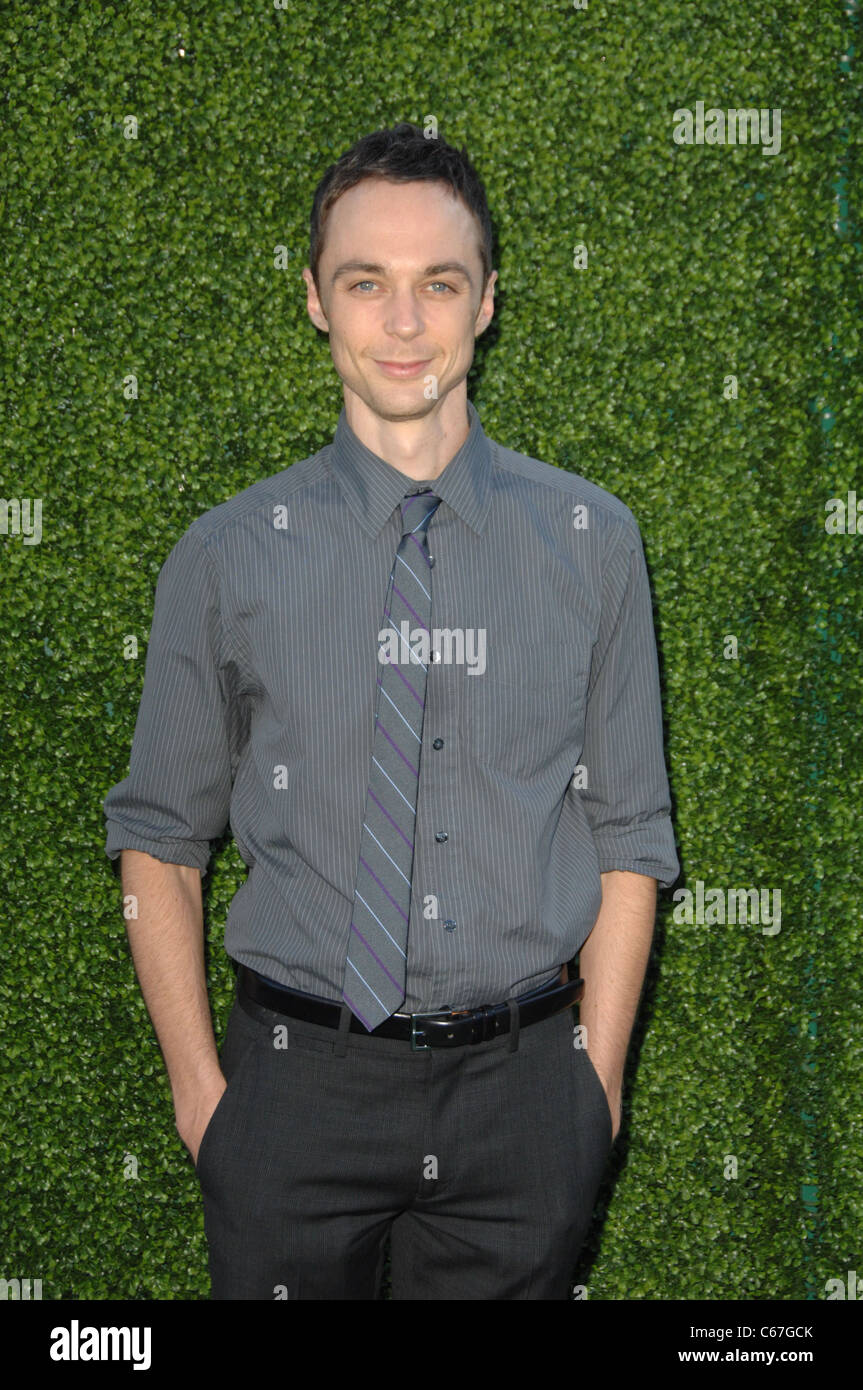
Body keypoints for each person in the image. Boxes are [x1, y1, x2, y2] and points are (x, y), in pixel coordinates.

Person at [103, 121, 679, 1301]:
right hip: (290, 1093)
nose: (403, 324)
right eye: (367, 282)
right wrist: (206, 1104)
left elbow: (629, 835)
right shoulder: (224, 558)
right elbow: (159, 838)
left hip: (523, 1100)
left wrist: (592, 1092)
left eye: (439, 285)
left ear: (487, 304)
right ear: (315, 298)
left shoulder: (592, 543)